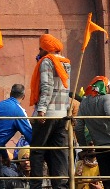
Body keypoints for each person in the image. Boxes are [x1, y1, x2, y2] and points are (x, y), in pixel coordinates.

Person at [74, 76, 110, 189]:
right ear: (104, 87)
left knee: (109, 182)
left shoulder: (84, 102)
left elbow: (78, 128)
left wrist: (84, 148)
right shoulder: (108, 98)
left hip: (100, 149)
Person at [29, 34, 72, 189]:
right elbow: (65, 88)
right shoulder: (65, 62)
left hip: (48, 114)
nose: (39, 51)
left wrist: (41, 110)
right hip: (61, 114)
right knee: (58, 152)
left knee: (37, 151)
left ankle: (36, 185)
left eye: (40, 49)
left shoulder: (47, 61)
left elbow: (47, 87)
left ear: (46, 49)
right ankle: (60, 186)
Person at [0, 84, 32, 189]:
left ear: (10, 94)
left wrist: (5, 156)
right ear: (24, 97)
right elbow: (30, 136)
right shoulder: (19, 111)